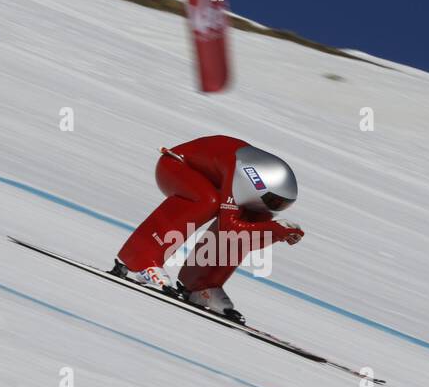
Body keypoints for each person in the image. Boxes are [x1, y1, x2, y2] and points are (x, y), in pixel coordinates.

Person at [112, 135, 304, 324]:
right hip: (175, 165)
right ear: (258, 184)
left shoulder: (256, 185)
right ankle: (141, 258)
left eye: (282, 205)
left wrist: (276, 234)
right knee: (207, 201)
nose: (274, 208)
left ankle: (202, 284)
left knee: (251, 217)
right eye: (273, 201)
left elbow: (247, 238)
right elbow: (229, 227)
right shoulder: (242, 174)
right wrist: (272, 228)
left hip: (211, 177)